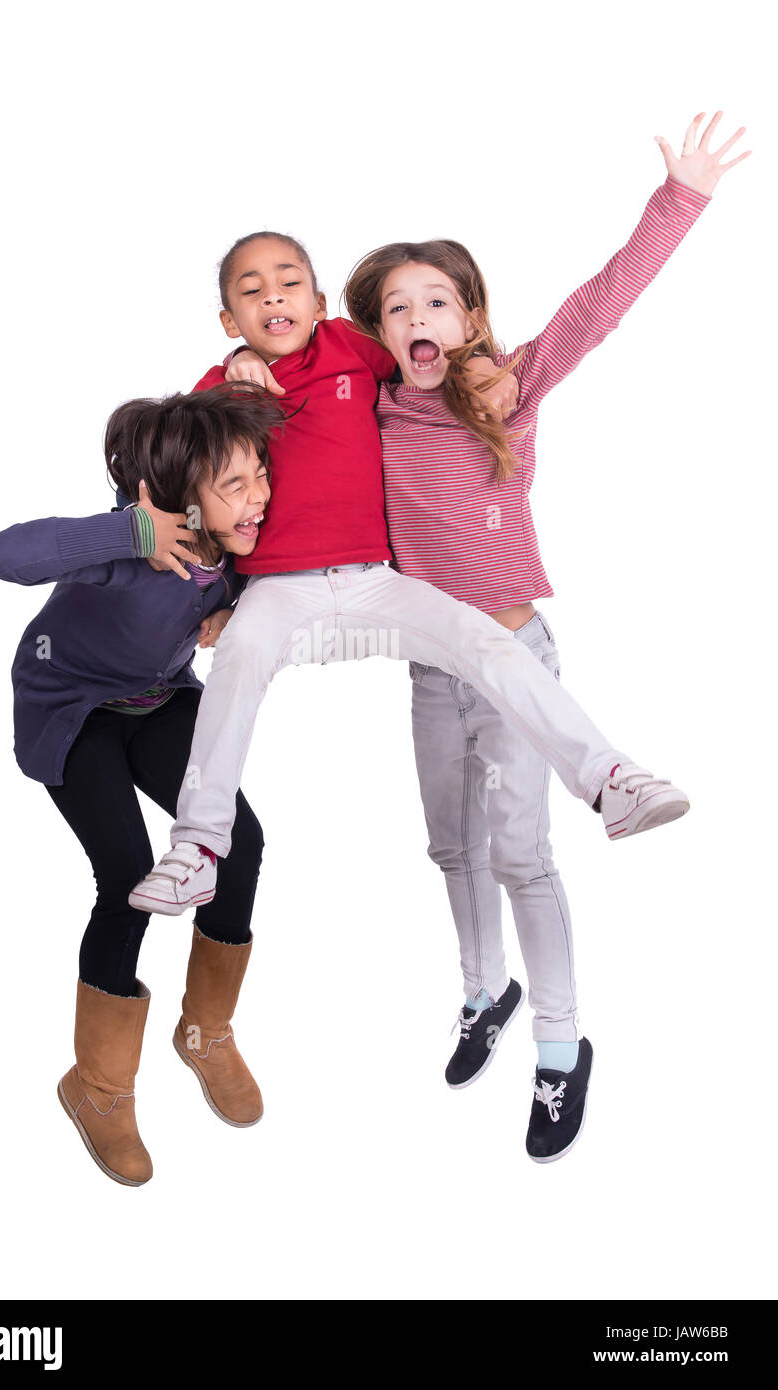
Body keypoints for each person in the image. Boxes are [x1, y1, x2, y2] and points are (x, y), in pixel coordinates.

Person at [340, 109, 749, 1161]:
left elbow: (598, 306)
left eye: (439, 300)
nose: (419, 316)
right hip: (433, 671)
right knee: (448, 845)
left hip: (518, 660)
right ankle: (485, 991)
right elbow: (290, 406)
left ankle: (561, 1047)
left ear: (470, 318)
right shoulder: (371, 414)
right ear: (379, 334)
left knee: (522, 851)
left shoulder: (506, 389)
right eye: (398, 307)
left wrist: (682, 197)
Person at [131, 195, 693, 929]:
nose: (273, 295)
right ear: (230, 321)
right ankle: (198, 849)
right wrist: (208, 579)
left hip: (374, 582)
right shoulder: (224, 389)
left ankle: (608, 778)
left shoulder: (351, 351)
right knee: (236, 664)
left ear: (321, 301)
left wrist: (487, 367)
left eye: (289, 280)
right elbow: (183, 473)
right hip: (279, 591)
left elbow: (428, 355)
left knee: (484, 642)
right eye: (251, 289)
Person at [0, 384, 282, 1186]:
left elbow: (292, 579)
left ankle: (205, 1032)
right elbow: (4, 555)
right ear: (182, 502)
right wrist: (126, 529)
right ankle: (99, 1087)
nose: (257, 496)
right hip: (72, 707)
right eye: (235, 486)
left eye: (260, 474)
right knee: (128, 878)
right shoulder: (135, 546)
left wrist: (241, 606)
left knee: (237, 842)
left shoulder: (249, 539)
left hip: (157, 700)